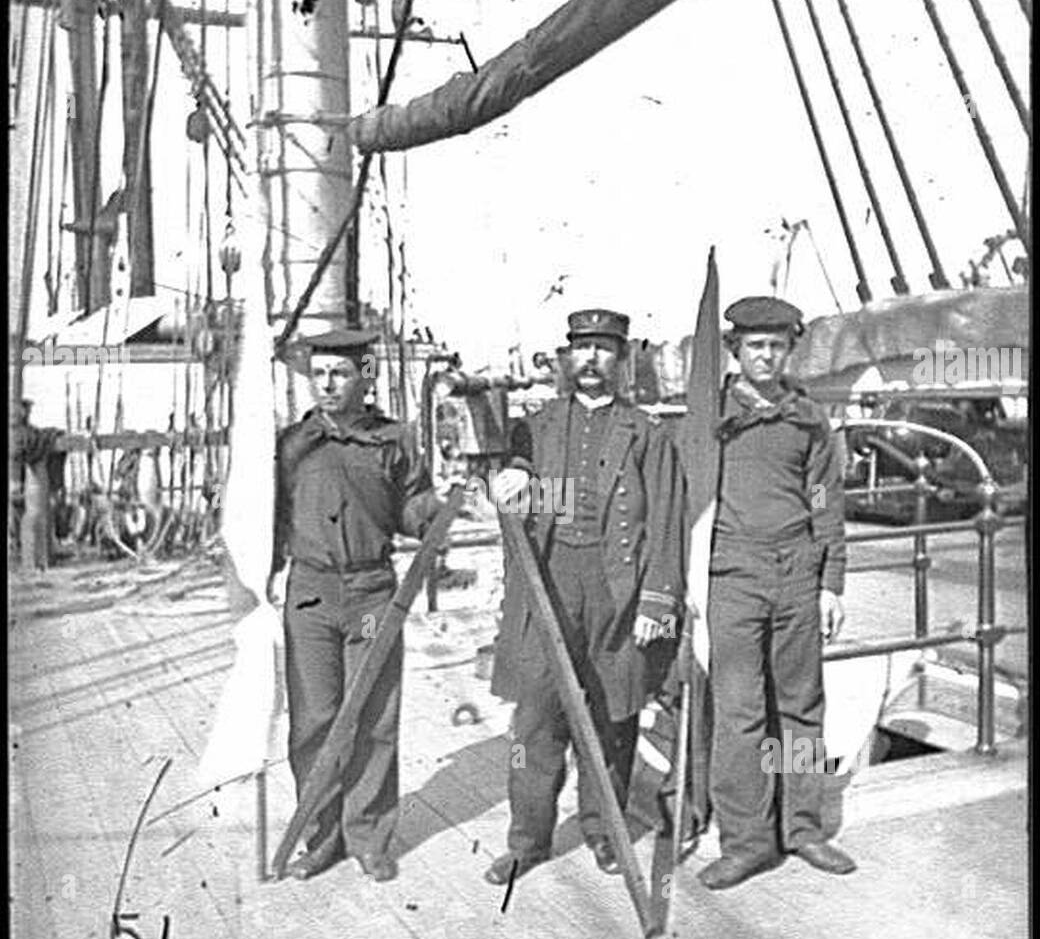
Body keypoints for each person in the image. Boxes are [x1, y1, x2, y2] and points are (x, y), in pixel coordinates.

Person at [485, 308, 686, 884]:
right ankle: (527, 840)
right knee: (535, 721)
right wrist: (516, 481)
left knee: (612, 719)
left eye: (604, 349)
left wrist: (657, 602)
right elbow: (517, 482)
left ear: (622, 361)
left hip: (617, 587)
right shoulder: (539, 424)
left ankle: (602, 829)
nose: (592, 360)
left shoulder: (648, 434)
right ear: (567, 358)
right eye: (582, 348)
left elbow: (667, 523)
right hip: (548, 586)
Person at [267, 328, 442, 883]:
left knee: (372, 715)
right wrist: (261, 574)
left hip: (371, 594)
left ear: (364, 378)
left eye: (339, 374)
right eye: (318, 375)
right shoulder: (291, 445)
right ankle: (321, 838)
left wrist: (431, 516)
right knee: (314, 720)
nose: (326, 384)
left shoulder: (395, 440)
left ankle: (368, 836)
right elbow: (268, 516)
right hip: (311, 596)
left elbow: (410, 505)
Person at [699, 296, 856, 891]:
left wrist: (829, 583)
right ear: (736, 351)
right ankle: (746, 843)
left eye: (775, 346)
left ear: (789, 350)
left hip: (796, 577)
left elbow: (823, 500)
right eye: (754, 346)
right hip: (732, 579)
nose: (765, 356)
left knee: (799, 709)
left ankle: (804, 829)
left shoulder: (807, 419)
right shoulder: (708, 419)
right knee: (739, 715)